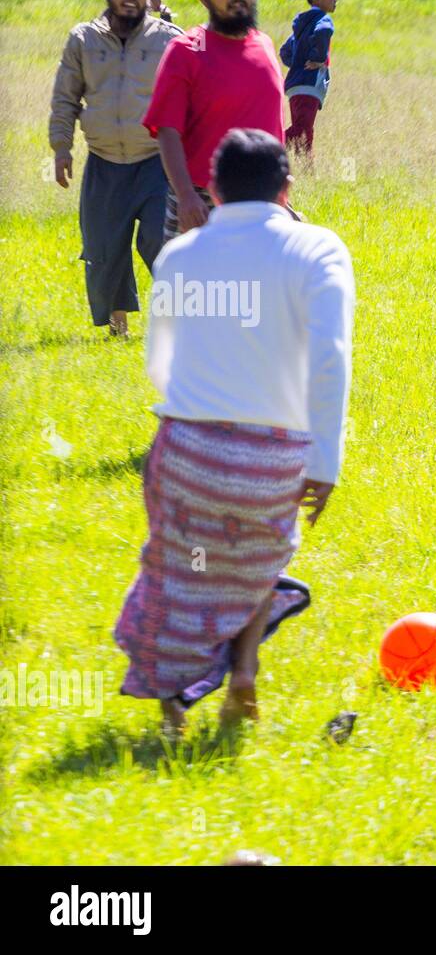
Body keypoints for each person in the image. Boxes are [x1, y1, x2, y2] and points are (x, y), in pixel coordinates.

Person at [114, 129, 355, 735]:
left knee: (179, 570)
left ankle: (171, 706)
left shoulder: (179, 256)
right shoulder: (319, 250)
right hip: (271, 458)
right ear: (287, 188)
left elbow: (158, 366)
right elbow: (330, 358)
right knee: (254, 561)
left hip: (187, 450)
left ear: (213, 189)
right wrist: (324, 461)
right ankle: (243, 671)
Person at [48, 0, 181, 338]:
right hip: (103, 161)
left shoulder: (168, 40)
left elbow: (189, 98)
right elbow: (66, 96)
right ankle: (116, 329)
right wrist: (62, 147)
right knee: (104, 247)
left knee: (161, 239)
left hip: (156, 161)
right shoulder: (83, 40)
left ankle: (182, 319)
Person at [141, 0, 285, 241]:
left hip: (263, 201)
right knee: (187, 279)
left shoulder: (265, 44)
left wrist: (280, 197)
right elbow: (167, 130)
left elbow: (272, 125)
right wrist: (186, 196)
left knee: (257, 279)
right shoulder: (185, 51)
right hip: (200, 205)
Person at [281, 0, 339, 160]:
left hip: (295, 87)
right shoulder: (323, 19)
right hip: (309, 85)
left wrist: (298, 64)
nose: (336, 0)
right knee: (302, 130)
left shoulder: (302, 24)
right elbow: (324, 30)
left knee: (304, 129)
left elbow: (285, 51)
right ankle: (265, 150)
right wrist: (318, 58)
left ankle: (305, 169)